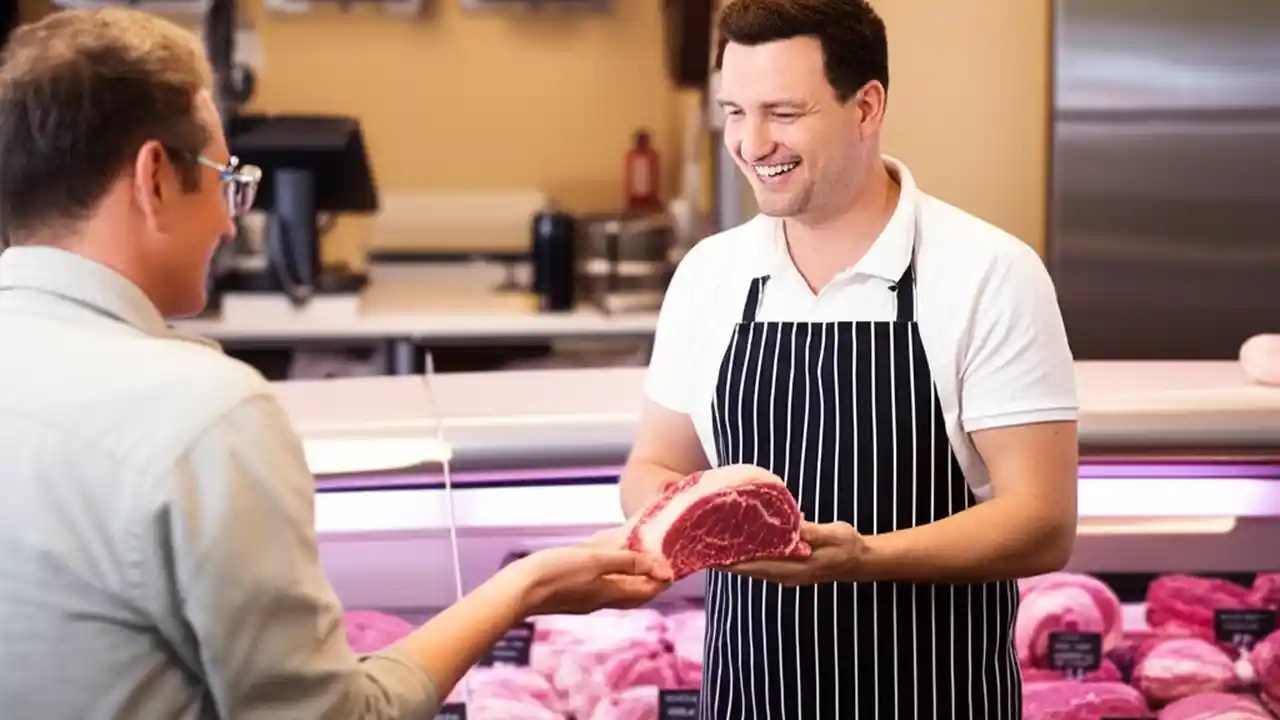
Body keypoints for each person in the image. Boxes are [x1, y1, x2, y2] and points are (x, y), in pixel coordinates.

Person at [0, 8, 670, 719]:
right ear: (155, 177)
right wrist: (523, 589)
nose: (231, 222)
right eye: (228, 179)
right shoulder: (204, 412)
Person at [619, 0, 1080, 717]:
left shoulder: (989, 272)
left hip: (936, 700)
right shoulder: (710, 275)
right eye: (734, 112)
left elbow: (1043, 521)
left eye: (784, 112)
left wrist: (865, 558)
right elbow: (653, 466)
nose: (752, 142)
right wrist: (696, 527)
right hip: (749, 698)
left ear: (866, 107)